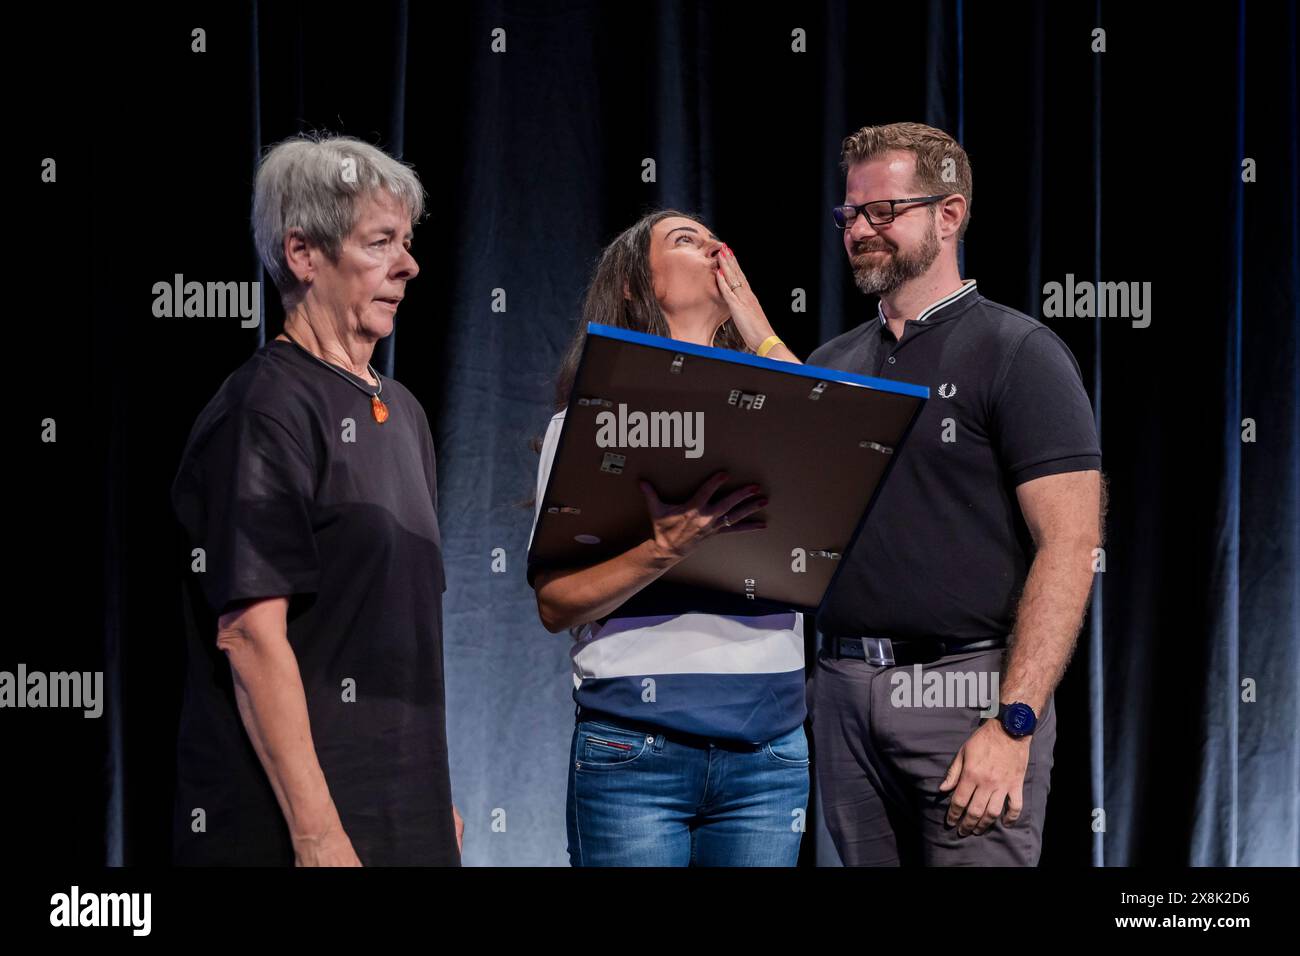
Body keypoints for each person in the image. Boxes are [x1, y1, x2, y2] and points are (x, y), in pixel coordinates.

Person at [807, 121, 1104, 865]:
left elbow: (1070, 544)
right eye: (851, 215)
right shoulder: (834, 360)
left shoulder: (1019, 353)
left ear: (950, 214)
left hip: (964, 691)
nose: (861, 230)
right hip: (840, 692)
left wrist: (1014, 722)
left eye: (885, 212)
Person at [170, 134, 462, 866]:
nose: (408, 264)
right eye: (381, 243)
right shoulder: (263, 411)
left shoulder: (404, 414)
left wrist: (432, 799)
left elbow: (392, 630)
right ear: (303, 255)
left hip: (405, 822)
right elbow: (250, 636)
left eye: (408, 242)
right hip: (299, 833)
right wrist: (317, 832)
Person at [528, 209, 807, 866]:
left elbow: (836, 434)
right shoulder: (590, 423)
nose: (714, 246)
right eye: (687, 240)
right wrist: (664, 549)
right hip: (634, 750)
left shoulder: (778, 409)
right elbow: (555, 603)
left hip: (767, 753)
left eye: (716, 237)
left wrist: (758, 327)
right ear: (633, 286)